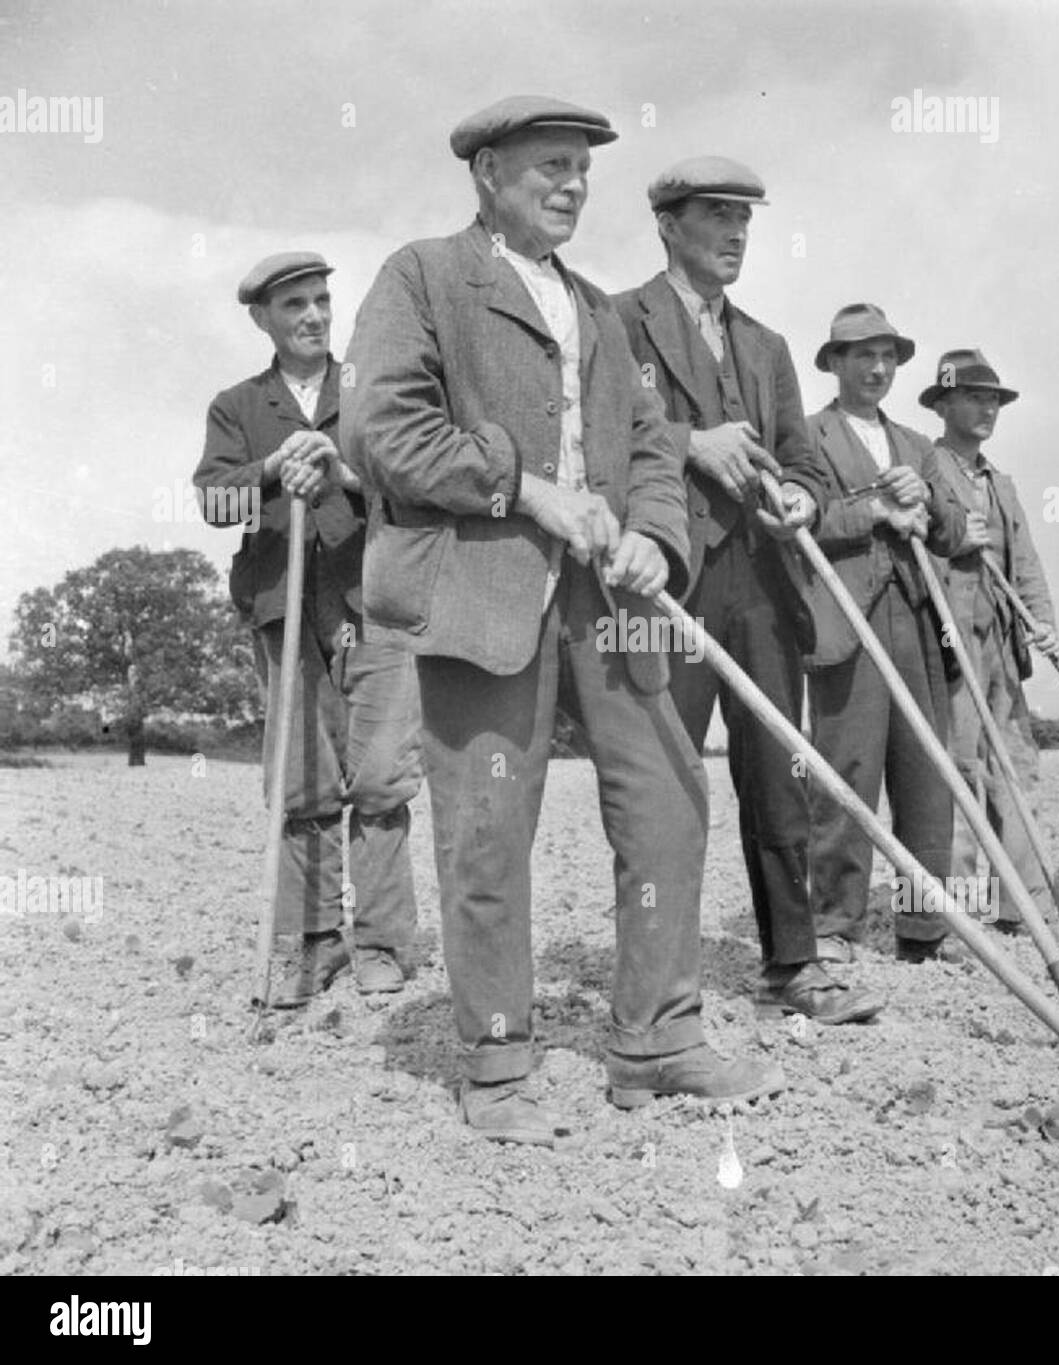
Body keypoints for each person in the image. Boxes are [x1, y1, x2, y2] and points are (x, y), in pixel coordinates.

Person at [341, 97, 784, 1147]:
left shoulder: (602, 310)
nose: (572, 185)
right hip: (479, 591)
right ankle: (496, 1062)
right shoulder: (425, 277)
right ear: (488, 172)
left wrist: (656, 541)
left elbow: (650, 447)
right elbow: (380, 430)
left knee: (670, 797)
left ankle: (657, 1040)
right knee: (489, 832)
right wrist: (525, 489)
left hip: (613, 604)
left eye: (582, 169)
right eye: (549, 165)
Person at [613, 158, 881, 1024]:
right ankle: (659, 975)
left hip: (762, 584)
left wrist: (801, 494)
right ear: (667, 224)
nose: (735, 234)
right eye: (716, 216)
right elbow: (601, 435)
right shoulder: (618, 323)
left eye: (745, 220)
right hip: (667, 580)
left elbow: (801, 460)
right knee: (664, 774)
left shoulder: (765, 346)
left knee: (777, 772)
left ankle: (793, 965)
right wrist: (691, 441)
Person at [193, 252, 423, 1008]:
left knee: (384, 771)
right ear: (264, 317)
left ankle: (384, 943)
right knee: (302, 779)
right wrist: (269, 469)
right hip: (282, 605)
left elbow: (414, 480)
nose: (315, 316)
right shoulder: (238, 405)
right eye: (295, 304)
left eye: (323, 299)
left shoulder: (369, 388)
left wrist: (343, 474)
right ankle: (315, 939)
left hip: (373, 599)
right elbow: (214, 504)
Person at [801, 305, 968, 964]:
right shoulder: (808, 436)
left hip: (918, 620)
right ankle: (834, 926)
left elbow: (955, 531)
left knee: (927, 776)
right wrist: (874, 509)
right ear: (835, 363)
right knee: (847, 772)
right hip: (847, 618)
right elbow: (800, 520)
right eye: (861, 356)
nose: (876, 368)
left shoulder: (920, 445)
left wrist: (924, 501)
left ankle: (923, 930)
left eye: (887, 356)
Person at [922, 349, 1059, 934]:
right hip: (953, 644)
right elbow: (912, 554)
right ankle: (956, 913)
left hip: (1002, 644)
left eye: (994, 400)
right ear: (945, 404)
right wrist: (950, 542)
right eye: (976, 398)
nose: (987, 409)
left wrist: (1042, 618)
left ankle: (1023, 903)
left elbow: (1024, 560)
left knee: (1016, 765)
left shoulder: (1000, 482)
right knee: (960, 769)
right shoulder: (927, 469)